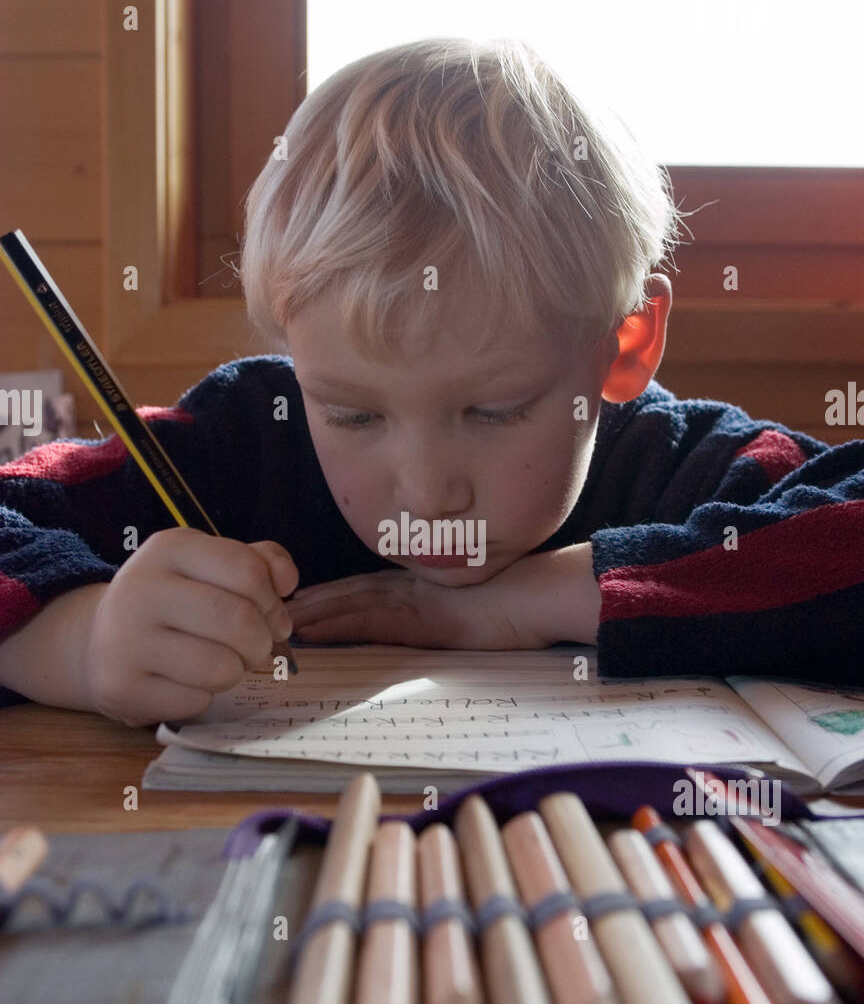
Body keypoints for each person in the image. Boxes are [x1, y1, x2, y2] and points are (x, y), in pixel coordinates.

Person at [1, 38, 862, 726]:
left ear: (625, 346)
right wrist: (76, 642)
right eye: (352, 413)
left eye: (492, 411)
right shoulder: (241, 441)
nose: (424, 492)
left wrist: (544, 598)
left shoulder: (677, 466)